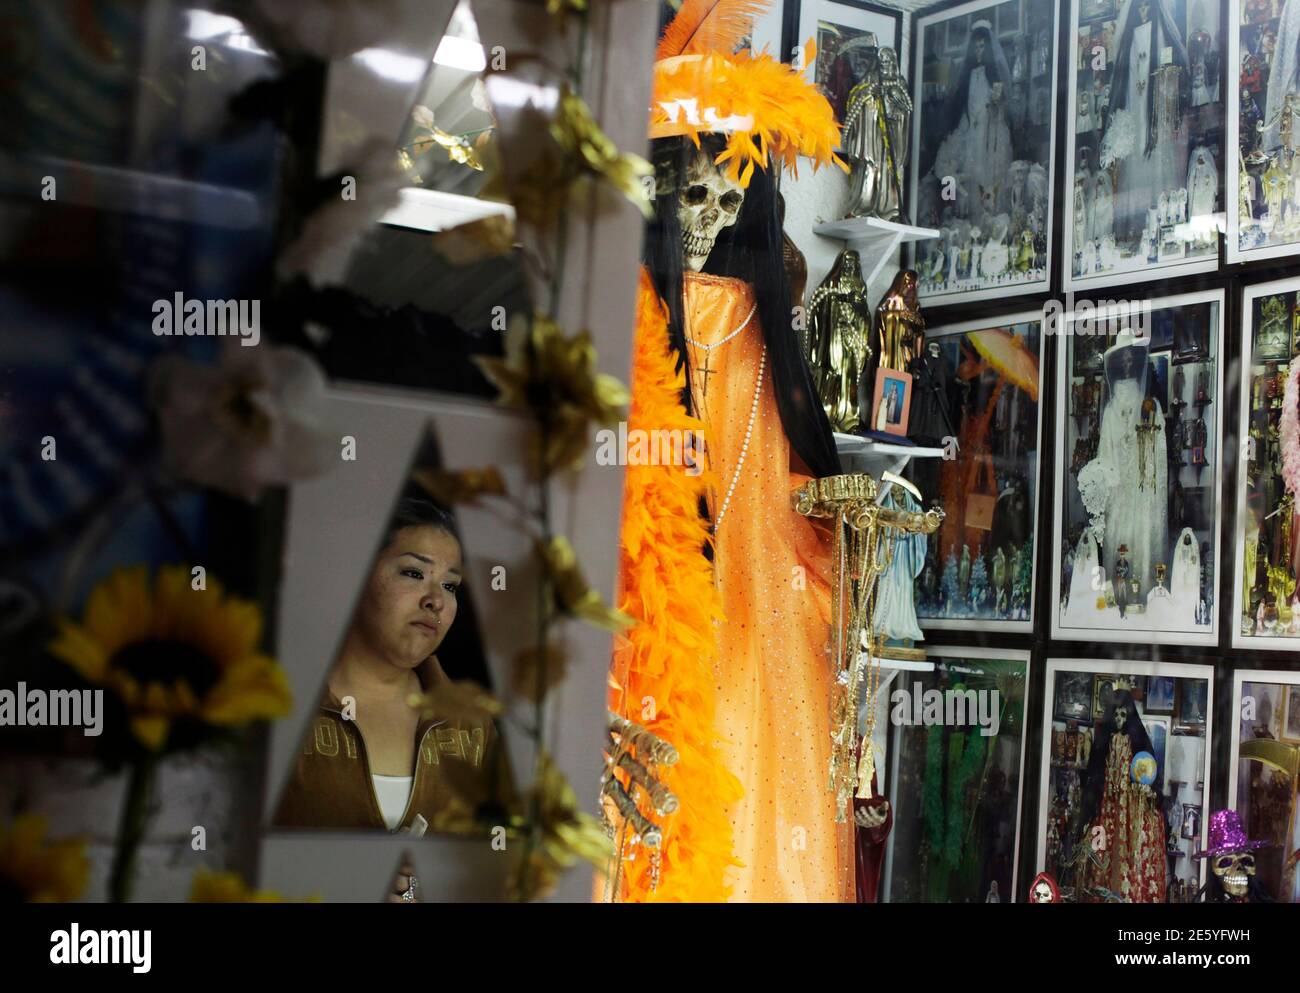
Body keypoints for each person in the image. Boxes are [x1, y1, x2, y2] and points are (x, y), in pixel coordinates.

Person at [275, 498, 510, 842]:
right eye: (414, 573)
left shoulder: (471, 726)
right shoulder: (280, 704)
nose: (436, 601)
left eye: (450, 585)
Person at [1077, 688, 1167, 902]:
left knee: (1132, 859)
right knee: (1102, 859)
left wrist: (1147, 792)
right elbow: (1093, 774)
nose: (1119, 720)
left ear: (1129, 716)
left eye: (1123, 715)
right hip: (1107, 808)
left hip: (1132, 812)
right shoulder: (1103, 742)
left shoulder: (1138, 741)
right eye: (1115, 715)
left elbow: (1150, 774)